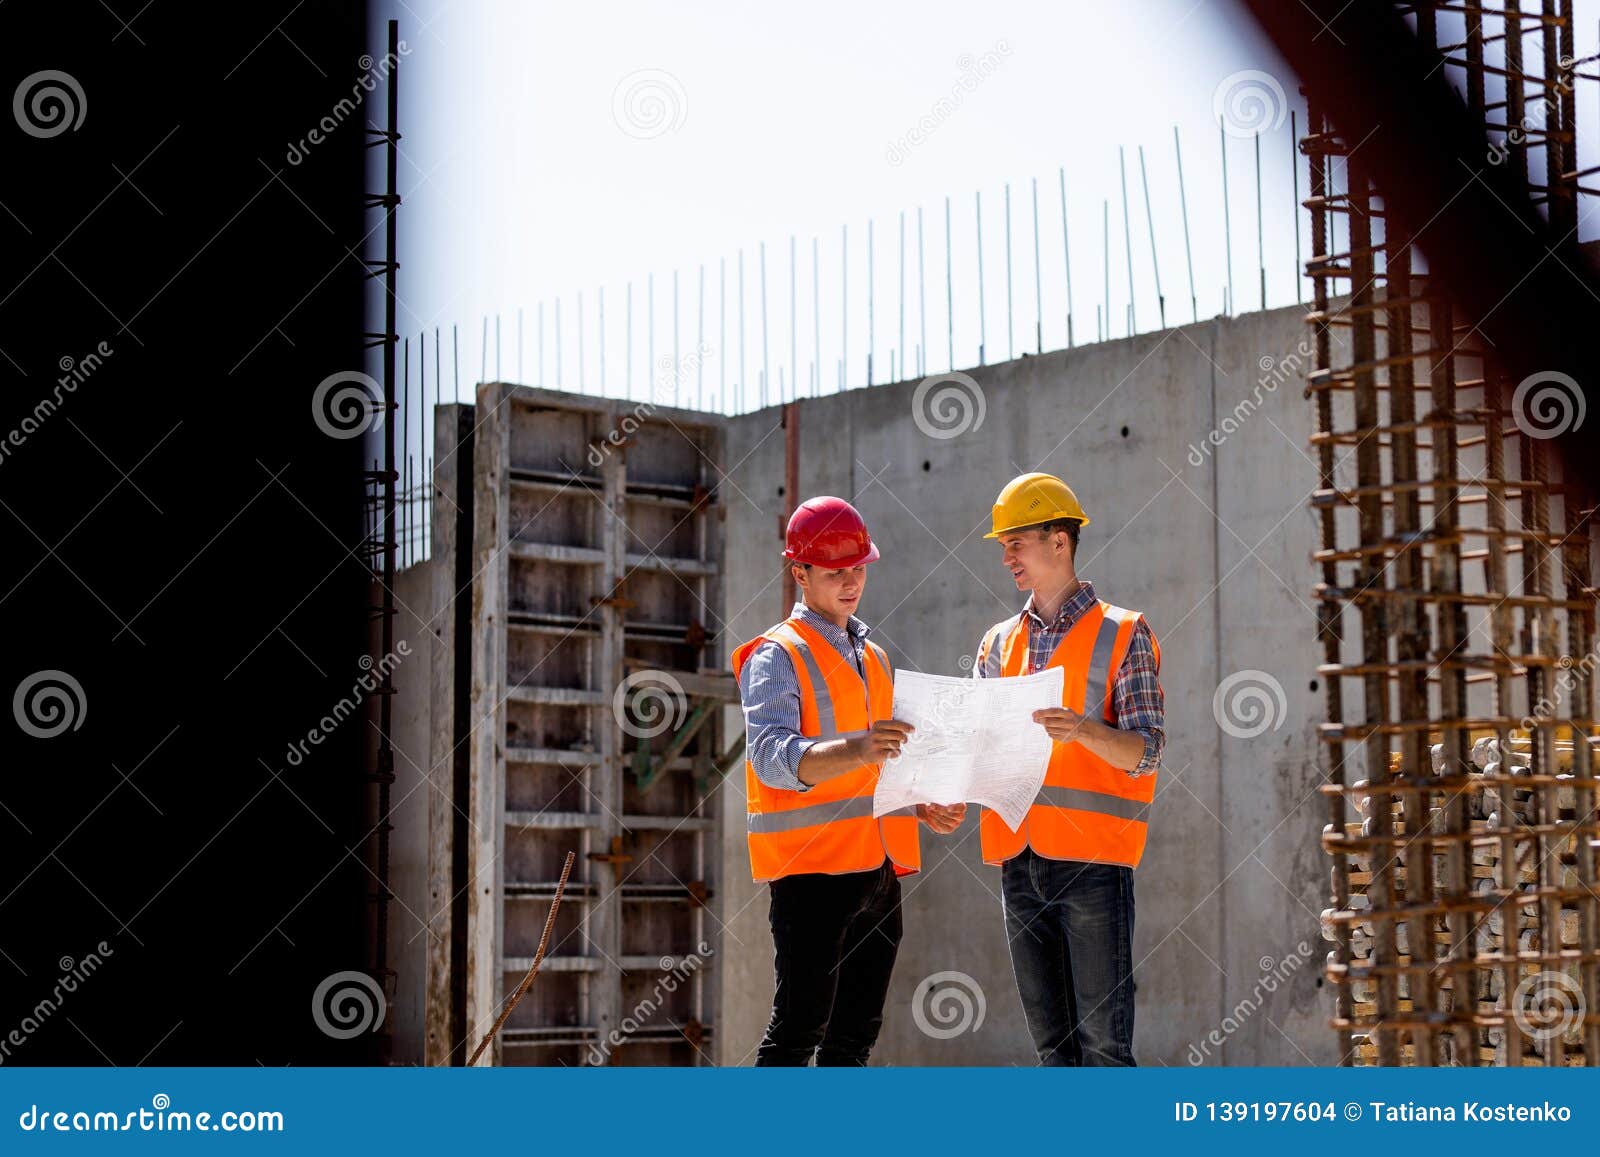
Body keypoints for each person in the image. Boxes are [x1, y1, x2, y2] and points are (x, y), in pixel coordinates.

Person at [732, 495, 965, 1066]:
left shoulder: (875, 658)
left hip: (878, 871)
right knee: (797, 1030)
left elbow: (881, 769)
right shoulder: (776, 655)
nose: (851, 581)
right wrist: (858, 747)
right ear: (800, 573)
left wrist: (919, 806)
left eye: (858, 568)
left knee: (854, 1037)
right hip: (812, 874)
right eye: (835, 572)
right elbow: (770, 757)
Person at [972, 472, 1164, 1066]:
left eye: (1017, 542)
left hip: (1093, 865)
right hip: (1018, 863)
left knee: (1104, 1049)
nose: (1006, 557)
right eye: (1003, 545)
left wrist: (1082, 729)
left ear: (1060, 541)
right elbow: (978, 749)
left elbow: (1147, 750)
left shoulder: (1123, 632)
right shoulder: (997, 644)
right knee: (1054, 1053)